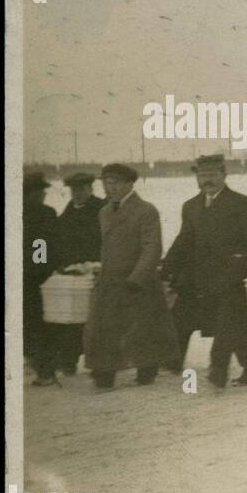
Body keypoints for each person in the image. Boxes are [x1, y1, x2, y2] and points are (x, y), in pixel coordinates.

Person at [162, 153, 247, 389]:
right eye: (202, 175)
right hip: (201, 277)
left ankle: (217, 371)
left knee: (226, 323)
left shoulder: (242, 204)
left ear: (223, 175)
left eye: (212, 174)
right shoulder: (190, 207)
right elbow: (183, 241)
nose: (207, 180)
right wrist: (166, 268)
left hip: (233, 277)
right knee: (234, 325)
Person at [83, 164, 180, 390]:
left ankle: (148, 367)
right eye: (107, 183)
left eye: (116, 182)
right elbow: (106, 247)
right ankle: (103, 373)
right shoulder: (104, 212)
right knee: (103, 327)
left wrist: (137, 279)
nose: (111, 188)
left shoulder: (146, 210)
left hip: (138, 281)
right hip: (110, 280)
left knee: (144, 328)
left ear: (129, 184)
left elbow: (152, 248)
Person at [52, 171, 105, 375]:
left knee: (95, 319)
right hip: (72, 273)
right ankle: (68, 360)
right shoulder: (67, 212)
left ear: (90, 189)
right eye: (74, 190)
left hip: (96, 271)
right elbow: (58, 239)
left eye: (82, 189)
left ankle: (98, 362)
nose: (78, 193)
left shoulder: (101, 208)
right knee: (71, 318)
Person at [23, 172, 60, 386]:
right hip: (33, 278)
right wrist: (42, 270)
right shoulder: (43, 213)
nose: (45, 194)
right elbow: (42, 245)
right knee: (36, 325)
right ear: (32, 193)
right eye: (41, 191)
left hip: (25, 276)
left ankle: (41, 368)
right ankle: (44, 370)